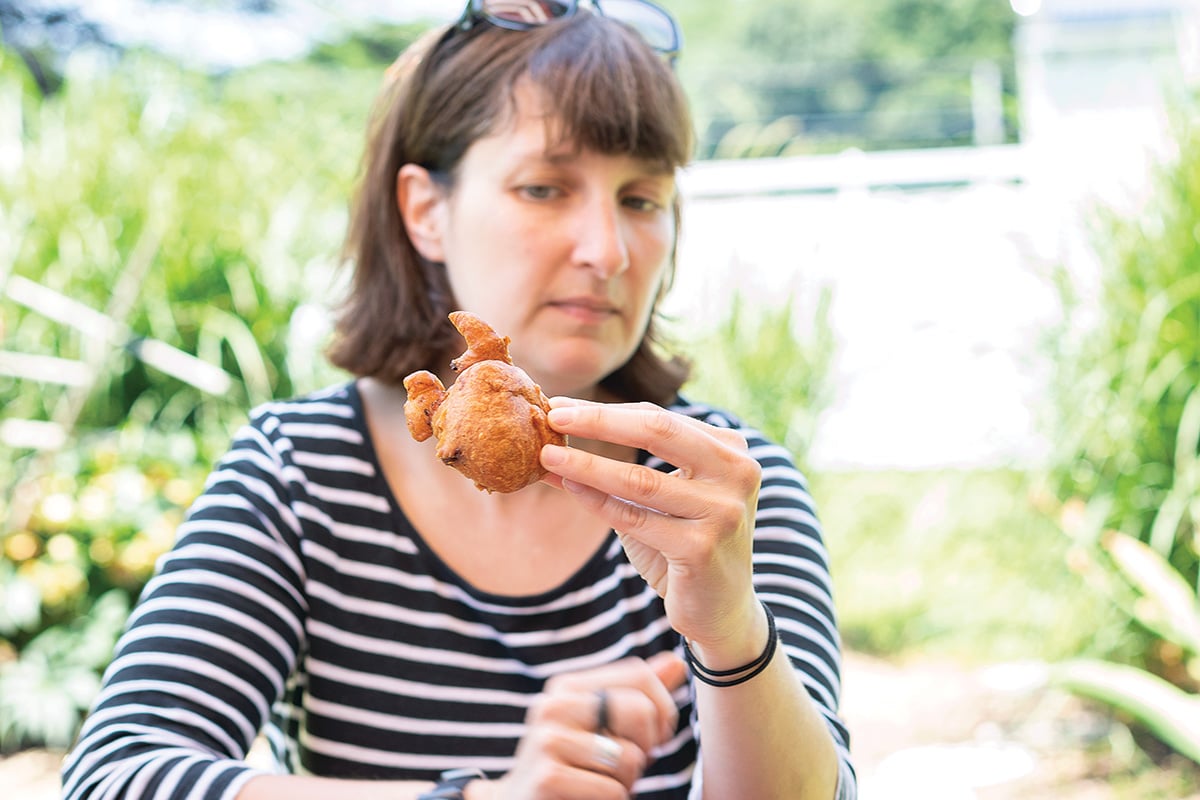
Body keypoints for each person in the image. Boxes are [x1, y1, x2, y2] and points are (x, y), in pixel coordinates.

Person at [61, 1, 856, 798]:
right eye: (545, 187)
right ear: (425, 211)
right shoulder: (300, 474)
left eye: (642, 200)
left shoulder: (721, 490)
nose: (608, 251)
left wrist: (729, 632)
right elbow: (114, 774)